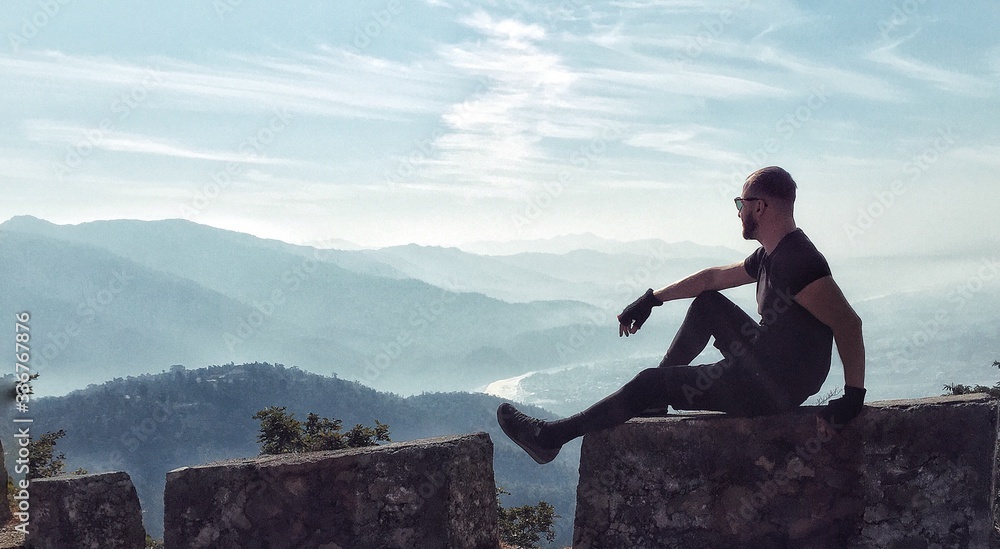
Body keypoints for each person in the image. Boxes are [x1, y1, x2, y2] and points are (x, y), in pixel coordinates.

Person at [497, 166, 866, 465]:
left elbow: (848, 322)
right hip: (767, 361)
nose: (738, 211)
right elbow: (713, 278)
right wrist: (652, 298)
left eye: (741, 202)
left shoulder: (798, 260)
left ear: (761, 207)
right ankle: (657, 396)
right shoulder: (772, 253)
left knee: (646, 382)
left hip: (772, 387)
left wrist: (853, 397)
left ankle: (549, 438)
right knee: (708, 302)